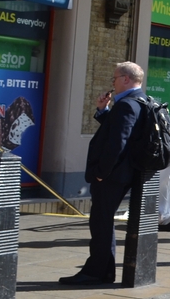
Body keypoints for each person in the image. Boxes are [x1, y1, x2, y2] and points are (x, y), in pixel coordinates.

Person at [60, 62, 147, 285]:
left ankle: (96, 271)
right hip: (126, 172)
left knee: (100, 222)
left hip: (113, 175)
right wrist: (103, 111)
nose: (113, 82)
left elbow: (118, 142)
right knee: (103, 221)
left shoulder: (126, 104)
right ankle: (104, 271)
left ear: (126, 79)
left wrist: (102, 172)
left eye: (114, 78)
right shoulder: (141, 101)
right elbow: (120, 130)